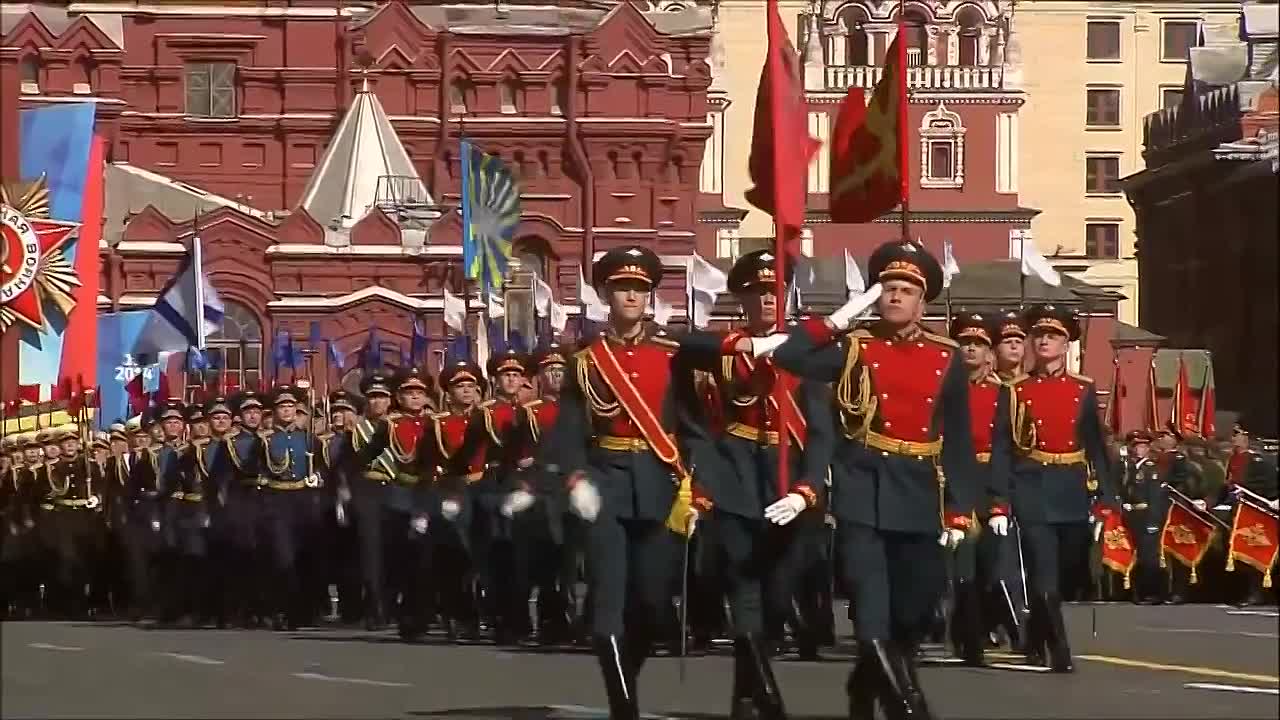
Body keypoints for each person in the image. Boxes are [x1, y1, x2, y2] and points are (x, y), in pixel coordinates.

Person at [771, 240, 980, 720]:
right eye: (886, 288)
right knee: (870, 610)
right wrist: (844, 315)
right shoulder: (852, 349)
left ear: (922, 300)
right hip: (862, 488)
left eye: (905, 289)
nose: (894, 297)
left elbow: (960, 440)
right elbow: (790, 355)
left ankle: (863, 685)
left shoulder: (946, 357)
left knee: (915, 610)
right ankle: (907, 705)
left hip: (920, 491)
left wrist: (961, 506)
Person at [544, 245, 714, 719]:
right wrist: (575, 476)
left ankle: (625, 675)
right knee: (609, 603)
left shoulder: (674, 354)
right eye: (622, 288)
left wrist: (699, 487)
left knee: (654, 603)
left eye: (639, 288)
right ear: (606, 295)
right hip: (606, 487)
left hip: (661, 486)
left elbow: (695, 429)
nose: (632, 295)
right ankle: (624, 707)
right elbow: (570, 429)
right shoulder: (586, 360)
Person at [679, 249, 834, 716]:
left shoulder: (805, 355)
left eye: (774, 291)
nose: (767, 299)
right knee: (742, 587)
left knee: (776, 595)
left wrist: (807, 489)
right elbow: (682, 348)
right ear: (742, 298)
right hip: (734, 476)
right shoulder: (723, 348)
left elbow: (822, 431)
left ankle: (745, 691)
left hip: (786, 480)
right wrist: (741, 348)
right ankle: (765, 696)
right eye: (757, 292)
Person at [1006, 304, 1120, 672]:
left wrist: (1106, 496)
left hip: (1070, 488)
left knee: (1067, 572)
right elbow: (1002, 448)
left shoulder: (1082, 390)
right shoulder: (1015, 390)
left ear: (1066, 344)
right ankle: (1060, 651)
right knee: (1043, 573)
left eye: (1052, 336)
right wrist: (999, 498)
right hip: (1032, 486)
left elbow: (1096, 448)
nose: (1044, 341)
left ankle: (1035, 636)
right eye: (1038, 335)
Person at [945, 312, 1014, 666]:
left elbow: (1005, 447)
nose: (971, 349)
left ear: (989, 352)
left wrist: (1001, 500)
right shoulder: (943, 388)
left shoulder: (1003, 393)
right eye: (965, 343)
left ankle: (980, 624)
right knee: (962, 565)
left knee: (989, 566)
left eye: (979, 344)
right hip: (953, 479)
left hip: (988, 480)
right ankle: (968, 637)